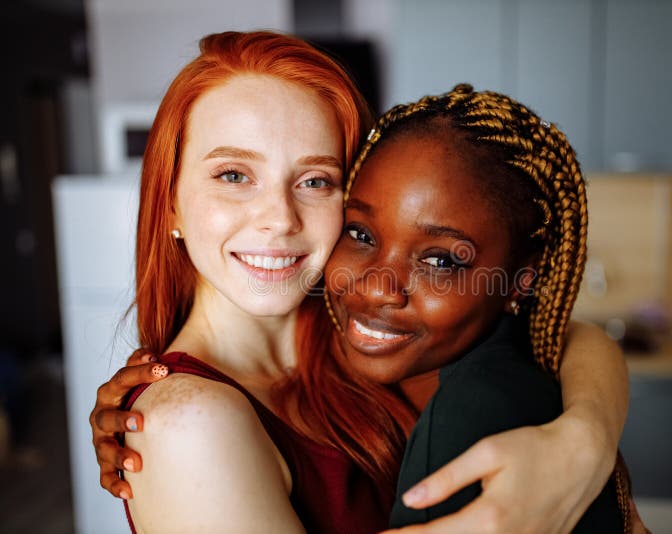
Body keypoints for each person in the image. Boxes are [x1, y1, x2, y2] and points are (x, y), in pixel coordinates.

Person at [89, 30, 631, 533]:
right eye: (234, 175)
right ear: (170, 204)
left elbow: (564, 337)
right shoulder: (187, 424)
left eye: (315, 180)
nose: (279, 217)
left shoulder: (355, 334)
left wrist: (585, 440)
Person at [322, 84, 626, 531]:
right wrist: (592, 431)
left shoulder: (472, 419)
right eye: (361, 234)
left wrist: (589, 436)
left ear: (521, 281)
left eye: (440, 260)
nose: (374, 290)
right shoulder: (303, 328)